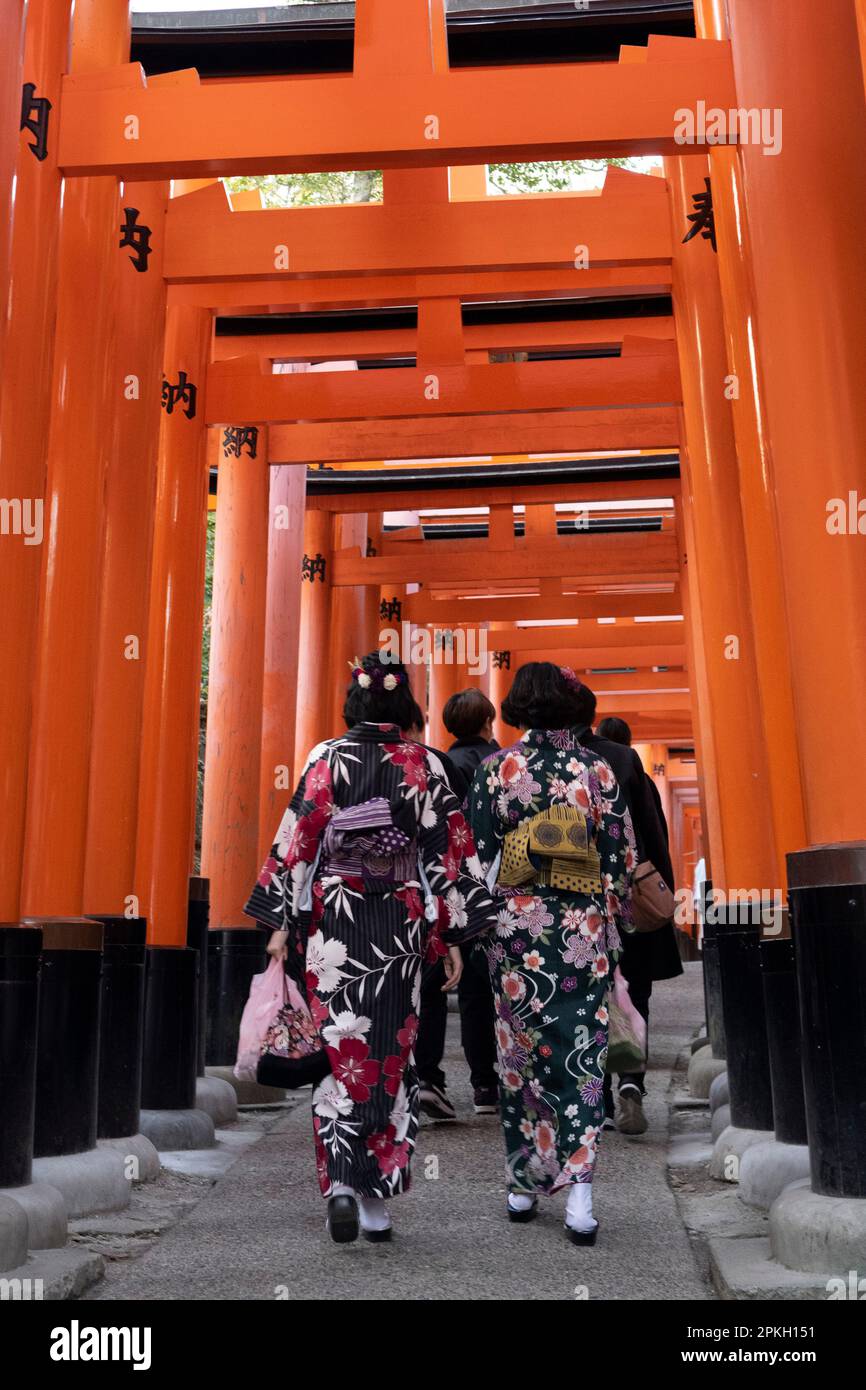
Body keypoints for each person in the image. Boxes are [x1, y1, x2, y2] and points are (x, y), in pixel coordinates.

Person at [244, 653, 496, 1245]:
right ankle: (378, 1206)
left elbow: (299, 839)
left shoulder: (326, 758)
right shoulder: (425, 765)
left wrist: (282, 921)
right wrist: (453, 933)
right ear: (404, 707)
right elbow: (447, 853)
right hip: (400, 926)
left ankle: (339, 1187)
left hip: (335, 924)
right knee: (390, 1057)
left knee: (339, 1050)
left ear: (354, 705)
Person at [464, 662, 635, 1245]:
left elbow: (476, 855)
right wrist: (615, 923)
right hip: (581, 927)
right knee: (581, 1054)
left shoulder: (495, 770)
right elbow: (617, 856)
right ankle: (580, 1198)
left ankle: (522, 1182)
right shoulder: (595, 769)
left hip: (515, 932)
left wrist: (480, 923)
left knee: (519, 1056)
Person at [581, 706, 683, 1136]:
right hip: (629, 897)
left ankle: (598, 1096)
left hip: (577, 903)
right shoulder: (626, 761)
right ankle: (631, 1080)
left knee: (589, 996)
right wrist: (662, 891)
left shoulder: (544, 761)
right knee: (634, 989)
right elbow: (653, 830)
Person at [402, 710, 470, 1123]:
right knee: (428, 988)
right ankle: (425, 1078)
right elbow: (455, 840)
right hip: (422, 896)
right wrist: (457, 921)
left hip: (348, 904)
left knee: (369, 996)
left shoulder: (328, 758)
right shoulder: (433, 763)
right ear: (413, 724)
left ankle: (377, 1087)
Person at [442, 688, 501, 1114]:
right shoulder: (501, 763)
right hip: (503, 883)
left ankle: (483, 1083)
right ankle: (518, 1074)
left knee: (473, 989)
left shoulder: (439, 763)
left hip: (456, 885)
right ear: (488, 722)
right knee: (510, 984)